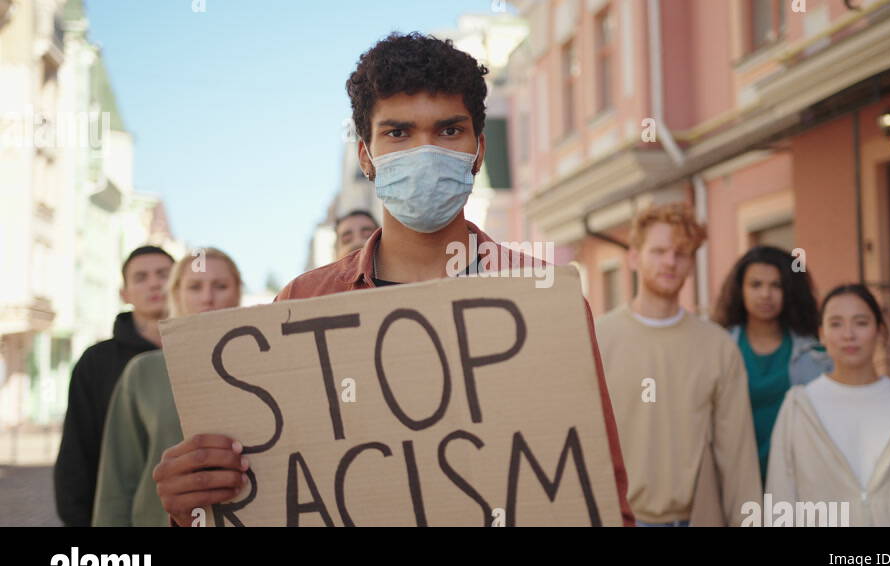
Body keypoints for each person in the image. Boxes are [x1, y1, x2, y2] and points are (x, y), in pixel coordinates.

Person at [151, 32, 635, 527]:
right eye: (398, 133)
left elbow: (595, 484)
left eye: (448, 131)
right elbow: (275, 493)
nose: (425, 152)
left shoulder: (542, 297)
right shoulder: (304, 303)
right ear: (366, 156)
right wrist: (196, 503)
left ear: (479, 150)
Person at [596, 203, 761, 526]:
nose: (670, 261)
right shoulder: (597, 338)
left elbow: (738, 457)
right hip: (616, 519)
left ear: (691, 264)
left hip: (696, 518)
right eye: (658, 251)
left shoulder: (718, 347)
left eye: (681, 253)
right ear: (633, 257)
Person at [766, 284, 890, 526]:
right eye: (836, 324)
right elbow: (780, 496)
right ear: (821, 334)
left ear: (881, 332)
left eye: (861, 323)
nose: (849, 335)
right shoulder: (799, 407)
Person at [92, 248, 243, 526]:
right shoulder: (143, 371)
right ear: (176, 295)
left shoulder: (260, 366)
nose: (208, 297)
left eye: (220, 286)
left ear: (238, 292)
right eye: (195, 287)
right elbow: (118, 479)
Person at [53, 245, 174, 526]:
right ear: (125, 293)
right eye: (141, 277)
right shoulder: (97, 362)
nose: (154, 282)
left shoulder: (202, 352)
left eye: (163, 274)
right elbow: (77, 450)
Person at [713, 246, 832, 484]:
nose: (765, 294)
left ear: (790, 291)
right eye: (755, 285)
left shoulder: (815, 355)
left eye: (776, 286)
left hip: (796, 482)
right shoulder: (719, 348)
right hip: (734, 481)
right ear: (740, 290)